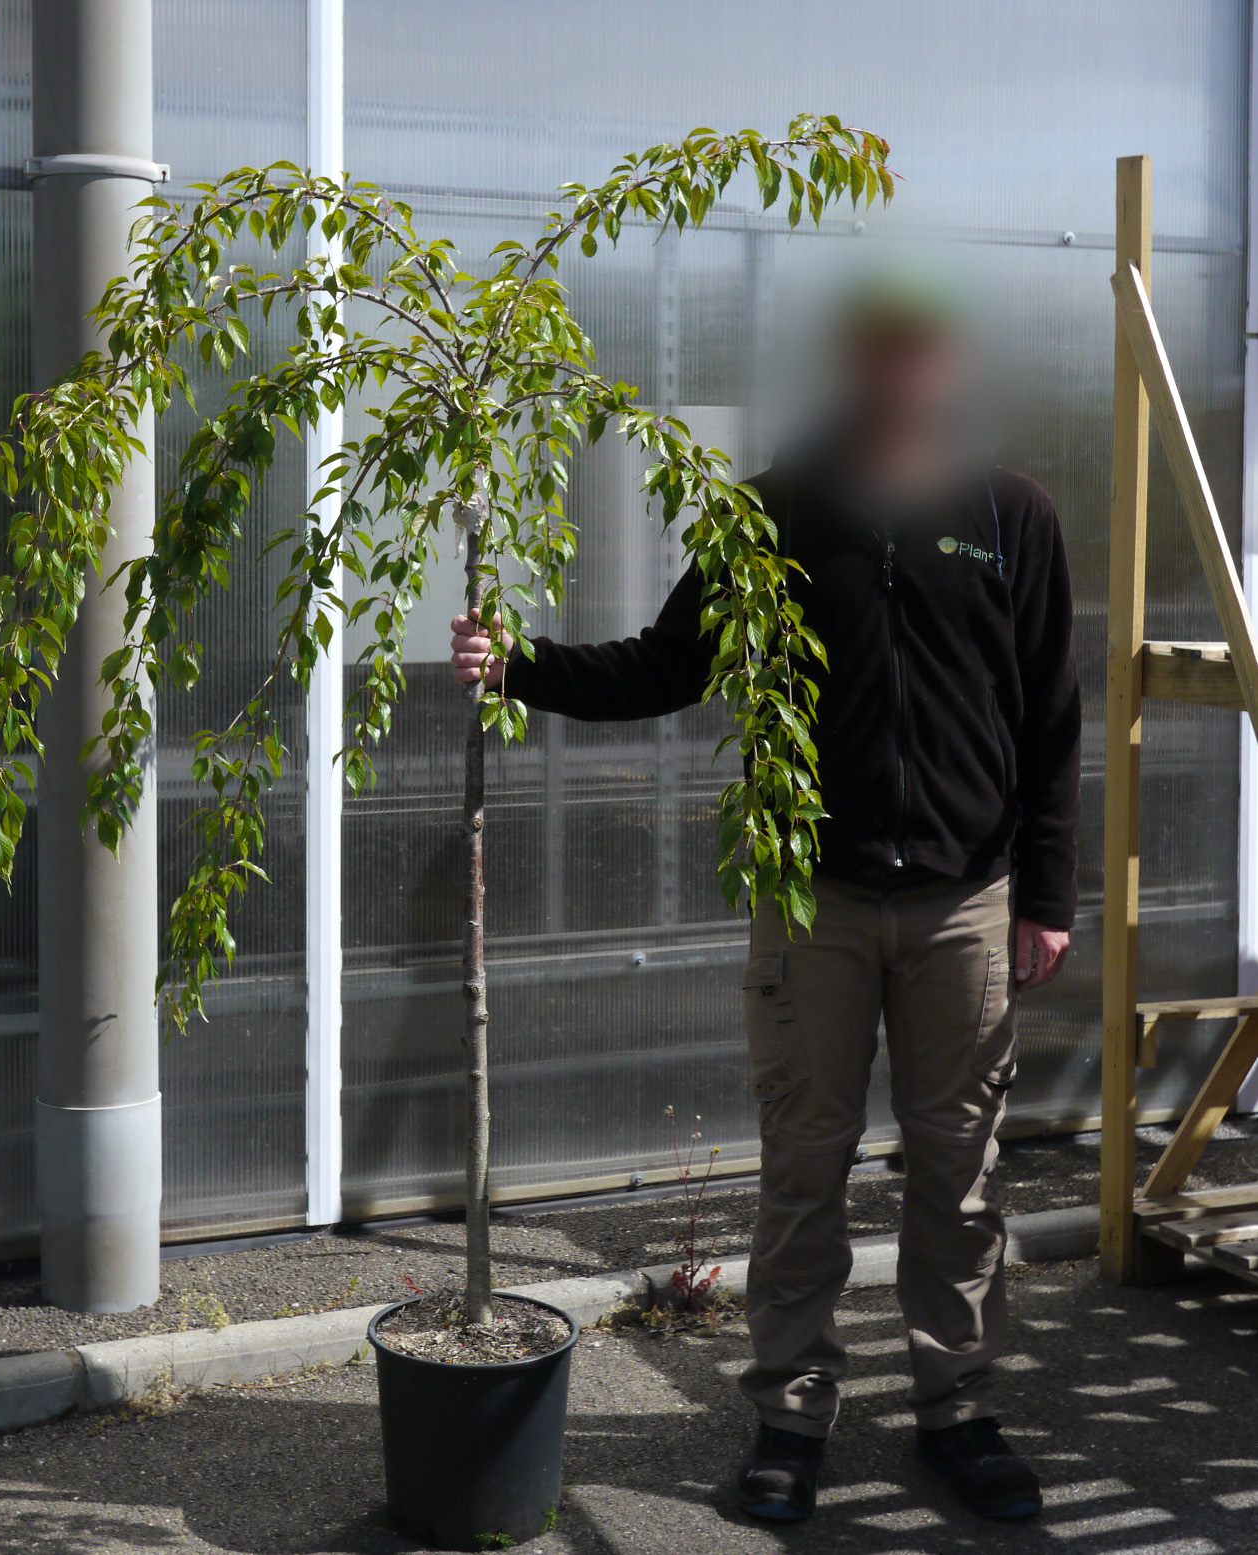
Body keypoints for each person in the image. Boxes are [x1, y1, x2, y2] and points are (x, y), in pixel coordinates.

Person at [450, 279, 1078, 1525]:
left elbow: (1050, 712)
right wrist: (517, 664)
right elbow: (666, 664)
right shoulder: (775, 512)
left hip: (964, 902)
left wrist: (1047, 892)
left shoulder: (1009, 515)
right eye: (879, 355)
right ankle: (791, 1417)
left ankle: (958, 1410)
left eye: (922, 354)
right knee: (803, 1166)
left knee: (960, 1172)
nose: (902, 378)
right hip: (812, 900)